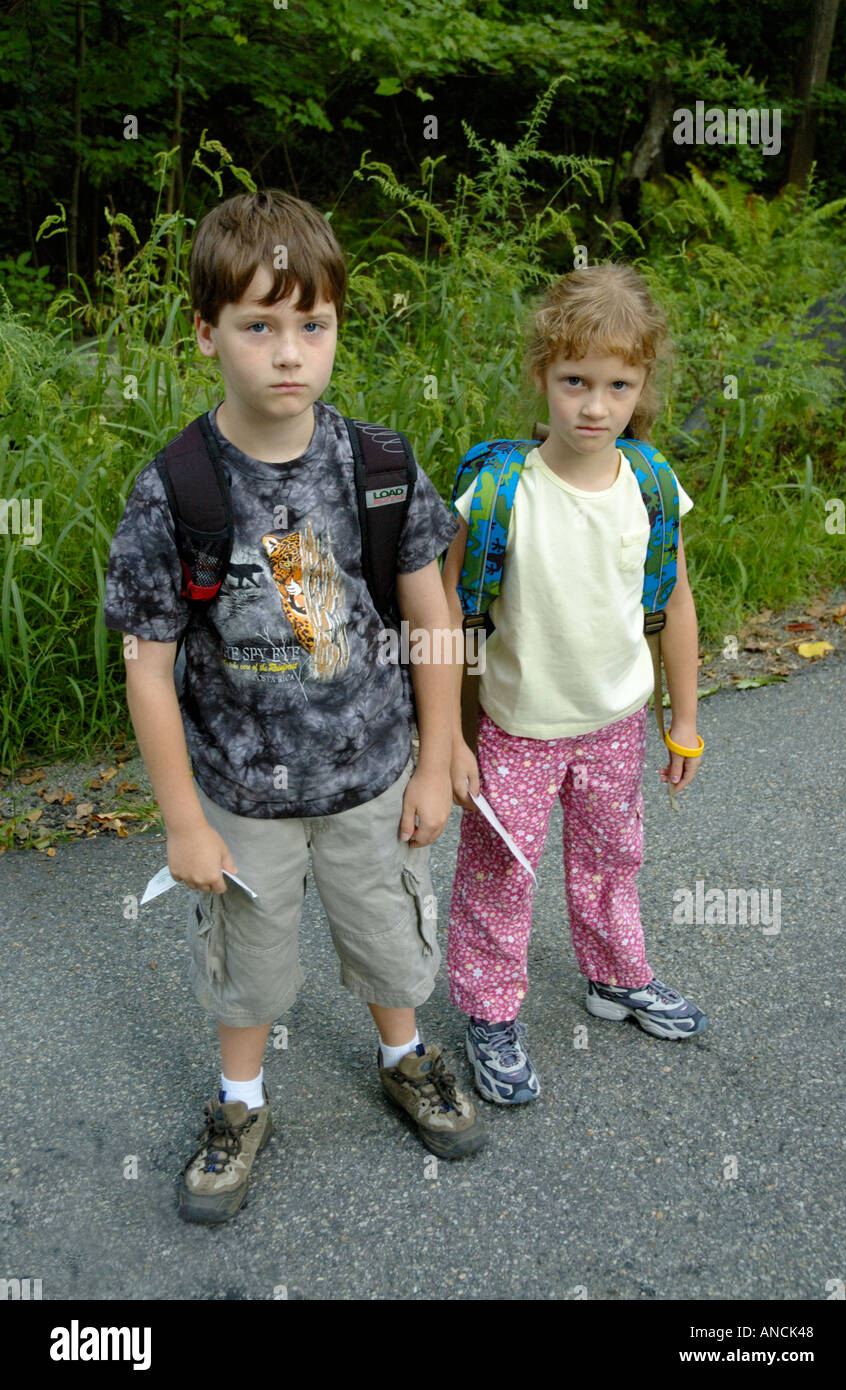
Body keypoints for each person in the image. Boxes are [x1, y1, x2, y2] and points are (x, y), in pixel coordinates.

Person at [103, 189, 487, 1224]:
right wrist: (182, 818)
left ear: (337, 329)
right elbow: (149, 664)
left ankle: (404, 1056)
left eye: (310, 324)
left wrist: (441, 747)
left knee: (388, 934)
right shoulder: (178, 487)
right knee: (249, 969)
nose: (288, 353)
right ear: (205, 332)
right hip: (241, 800)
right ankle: (240, 1102)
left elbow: (429, 610)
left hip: (374, 773)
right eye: (258, 325)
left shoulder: (377, 465)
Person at [441, 263, 707, 1106]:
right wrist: (442, 737)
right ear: (542, 378)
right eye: (575, 382)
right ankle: (488, 1011)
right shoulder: (498, 491)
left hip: (615, 722)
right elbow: (447, 614)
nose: (595, 406)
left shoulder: (653, 487)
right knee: (500, 870)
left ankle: (616, 975)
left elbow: (675, 604)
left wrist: (687, 720)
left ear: (642, 386)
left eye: (618, 384)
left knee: (611, 858)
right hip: (517, 726)